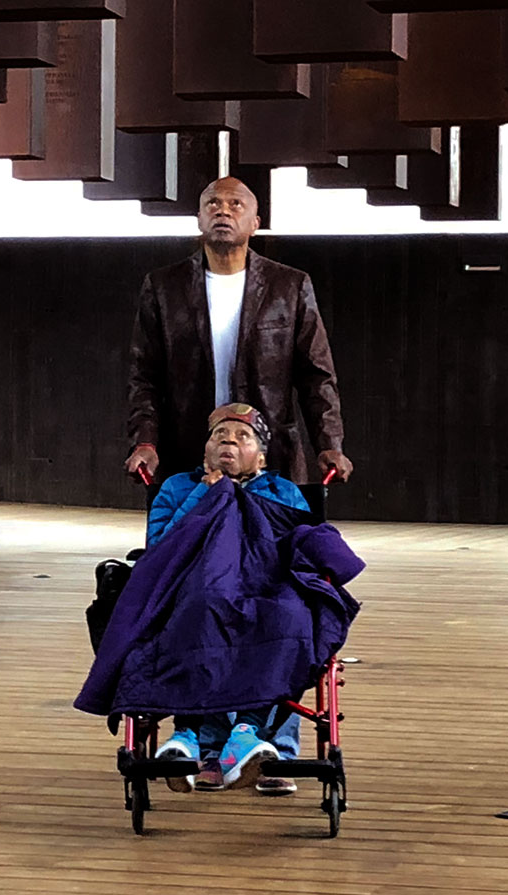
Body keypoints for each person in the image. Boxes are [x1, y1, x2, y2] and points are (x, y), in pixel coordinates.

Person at [124, 177, 355, 492]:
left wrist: (330, 444)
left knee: (272, 540)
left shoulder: (289, 286)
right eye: (213, 204)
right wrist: (145, 442)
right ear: (200, 219)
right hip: (188, 453)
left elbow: (317, 376)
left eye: (235, 205)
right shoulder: (164, 287)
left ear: (255, 223)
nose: (223, 211)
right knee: (191, 539)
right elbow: (145, 377)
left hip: (270, 454)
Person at [146, 404, 309, 796]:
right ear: (205, 450)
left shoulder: (282, 492)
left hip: (263, 587)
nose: (229, 443)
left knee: (291, 620)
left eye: (242, 438)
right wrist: (205, 493)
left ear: (262, 457)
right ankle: (204, 744)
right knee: (201, 611)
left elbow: (302, 547)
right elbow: (159, 546)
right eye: (219, 436)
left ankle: (257, 741)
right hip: (196, 585)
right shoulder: (177, 488)